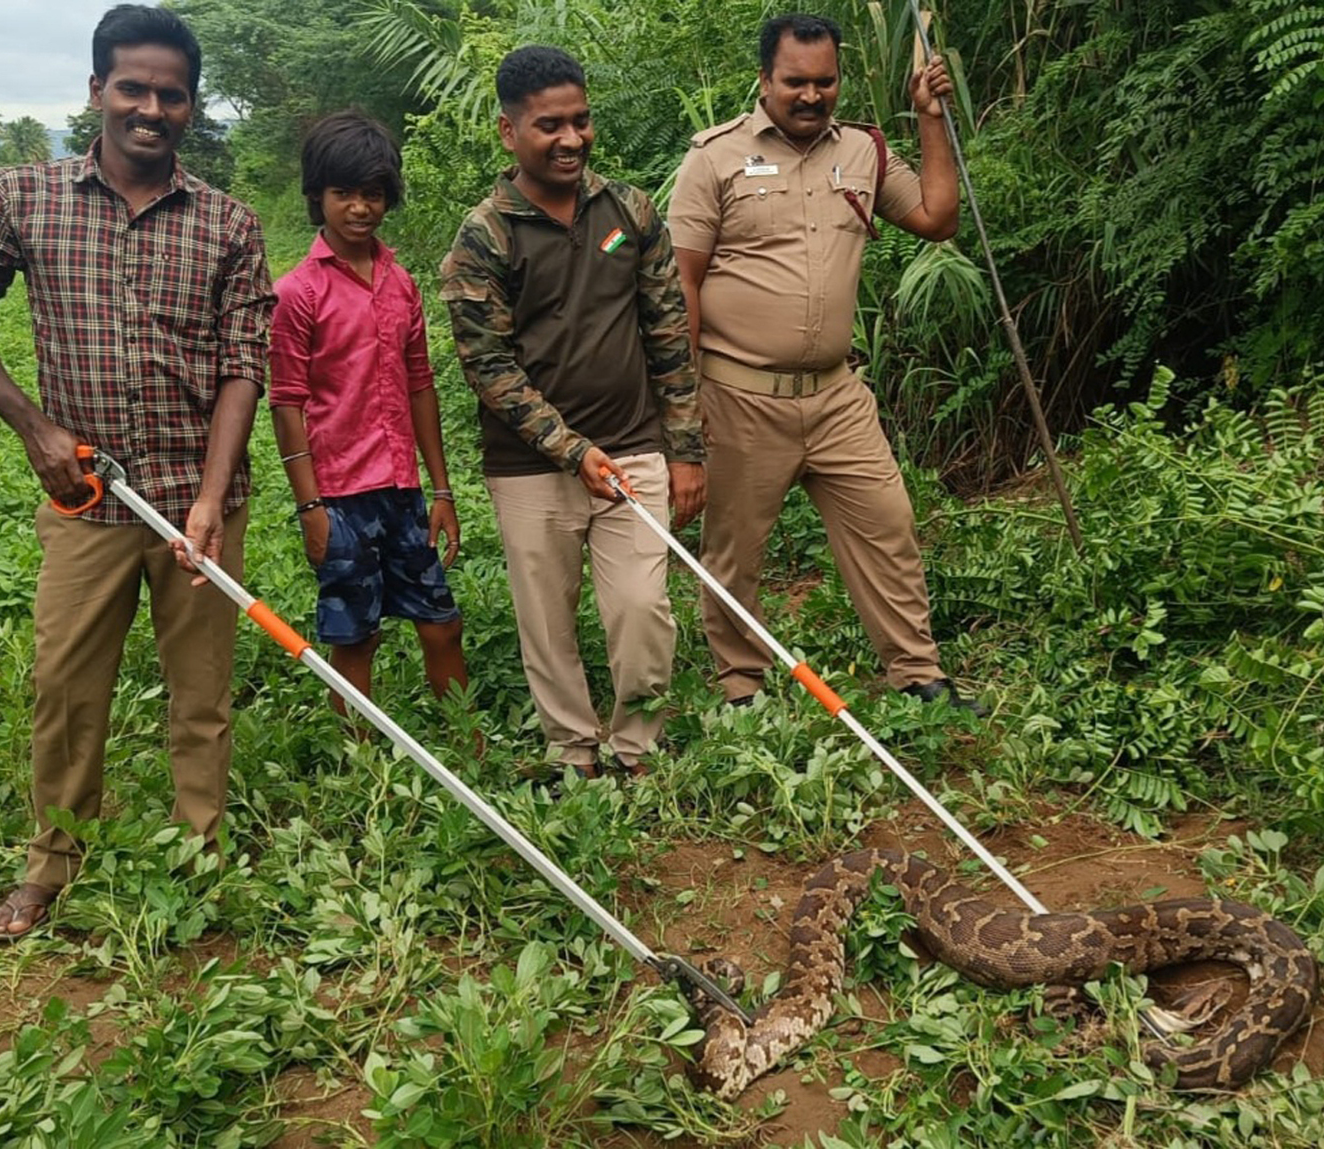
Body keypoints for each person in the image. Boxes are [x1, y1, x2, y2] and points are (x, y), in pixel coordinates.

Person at [0, 4, 274, 940]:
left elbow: (241, 366)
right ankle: (50, 865)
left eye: (170, 94)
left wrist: (214, 498)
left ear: (190, 105)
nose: (151, 107)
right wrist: (33, 426)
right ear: (96, 90)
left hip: (196, 502)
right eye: (132, 88)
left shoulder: (227, 222)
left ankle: (199, 852)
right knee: (65, 686)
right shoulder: (21, 199)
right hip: (85, 503)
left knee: (202, 693)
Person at [668, 12, 983, 714]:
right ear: (763, 80)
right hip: (740, 395)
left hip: (838, 395)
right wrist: (683, 407)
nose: (811, 96)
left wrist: (928, 117)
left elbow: (936, 218)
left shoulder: (864, 152)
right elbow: (680, 282)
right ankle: (740, 687)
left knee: (888, 522)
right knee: (735, 553)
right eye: (795, 82)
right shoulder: (713, 159)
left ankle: (917, 676)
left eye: (825, 82)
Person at [442, 46, 704, 779]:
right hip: (531, 465)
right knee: (546, 619)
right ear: (508, 131)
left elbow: (667, 333)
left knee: (642, 608)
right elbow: (487, 365)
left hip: (634, 448)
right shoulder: (482, 237)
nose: (571, 139)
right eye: (549, 125)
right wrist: (569, 449)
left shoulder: (630, 212)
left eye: (581, 121)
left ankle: (636, 747)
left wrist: (685, 448)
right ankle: (572, 750)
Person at [269, 111, 466, 719]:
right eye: (344, 193)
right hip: (339, 497)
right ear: (317, 197)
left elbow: (419, 383)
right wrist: (310, 508)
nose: (359, 208)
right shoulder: (296, 293)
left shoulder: (401, 282)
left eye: (373, 194)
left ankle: (465, 744)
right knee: (355, 637)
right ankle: (359, 763)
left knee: (442, 623)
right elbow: (287, 402)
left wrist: (442, 489)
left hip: (402, 490)